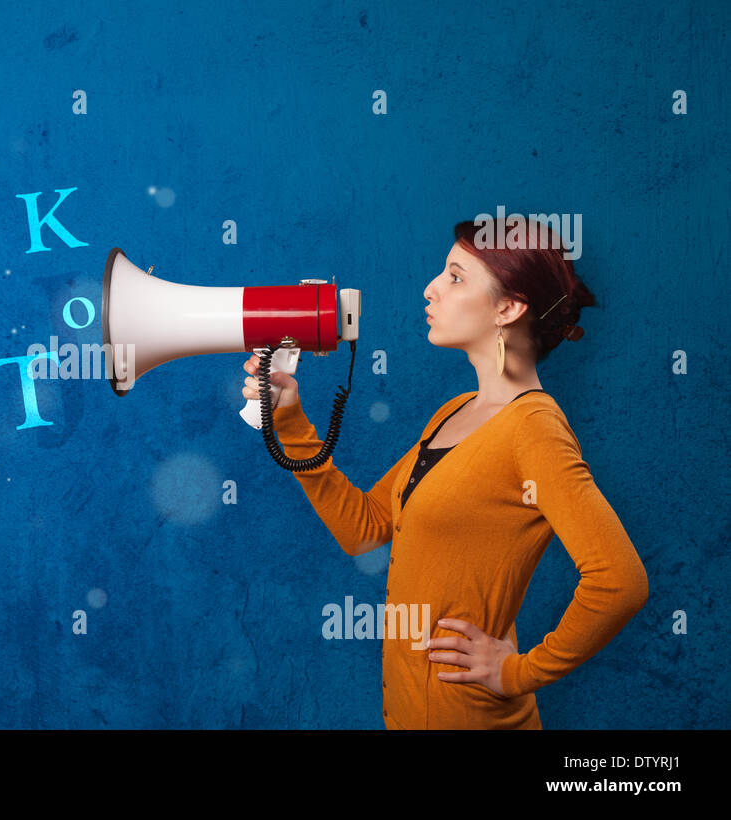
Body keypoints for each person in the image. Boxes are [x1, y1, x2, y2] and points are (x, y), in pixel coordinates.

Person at [242, 217, 648, 729]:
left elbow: (621, 581)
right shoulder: (456, 411)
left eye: (455, 277)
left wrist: (520, 671)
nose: (431, 288)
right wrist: (289, 422)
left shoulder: (534, 429)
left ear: (508, 307)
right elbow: (363, 528)